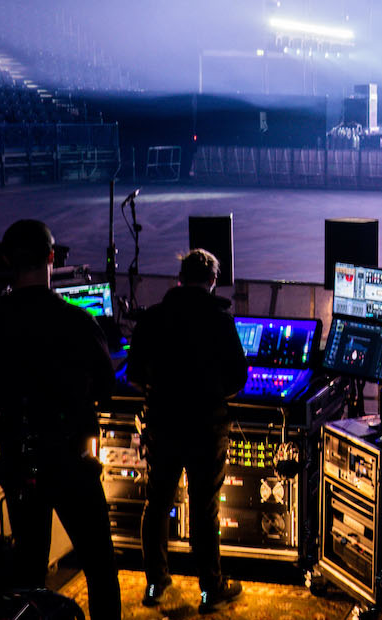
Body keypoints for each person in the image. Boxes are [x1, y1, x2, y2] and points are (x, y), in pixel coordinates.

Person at [0, 220, 120, 620]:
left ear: (7, 261)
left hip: (17, 464)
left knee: (28, 574)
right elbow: (107, 389)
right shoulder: (78, 321)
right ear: (51, 258)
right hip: (70, 461)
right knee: (99, 565)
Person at [125, 249, 248, 613]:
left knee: (157, 504)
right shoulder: (220, 320)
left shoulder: (152, 317)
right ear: (213, 280)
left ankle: (155, 583)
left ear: (179, 278)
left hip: (163, 425)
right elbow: (237, 380)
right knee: (204, 509)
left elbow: (134, 376)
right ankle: (210, 589)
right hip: (206, 427)